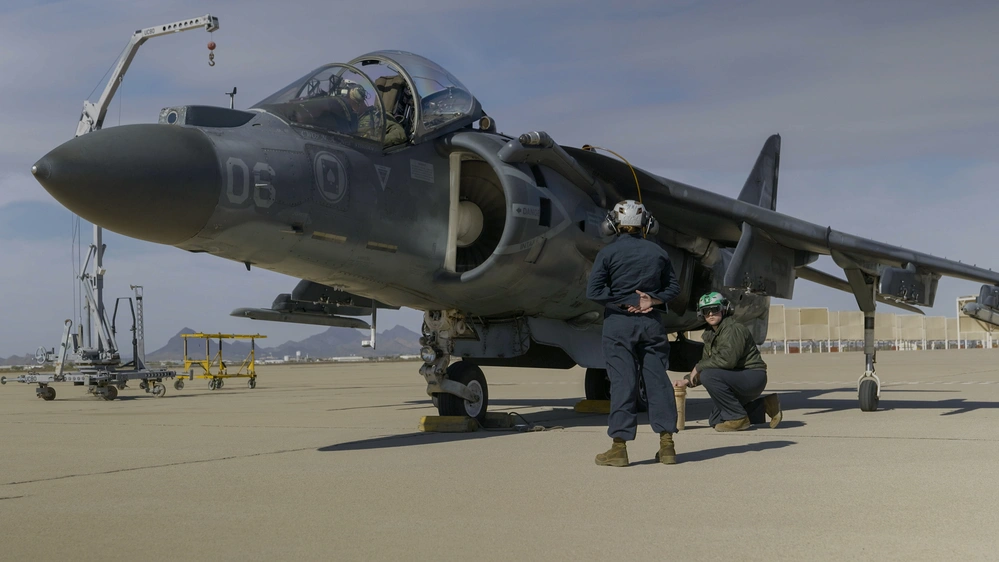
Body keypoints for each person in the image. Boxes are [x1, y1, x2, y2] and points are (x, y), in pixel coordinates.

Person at [586, 200, 681, 467]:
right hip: (651, 323)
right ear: (646, 224)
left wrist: (626, 300)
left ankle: (619, 448)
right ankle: (667, 446)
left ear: (614, 224)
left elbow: (593, 292)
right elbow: (673, 288)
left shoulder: (608, 253)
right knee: (658, 382)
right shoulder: (658, 253)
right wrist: (651, 301)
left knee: (623, 382)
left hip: (619, 324)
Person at [673, 292, 782, 431]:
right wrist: (687, 381)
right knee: (716, 420)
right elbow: (709, 362)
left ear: (724, 309)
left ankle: (738, 418)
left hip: (752, 376)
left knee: (708, 375)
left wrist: (698, 367)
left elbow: (727, 361)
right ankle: (765, 405)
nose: (711, 314)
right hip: (736, 378)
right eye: (706, 311)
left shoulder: (732, 329)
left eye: (715, 309)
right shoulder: (711, 333)